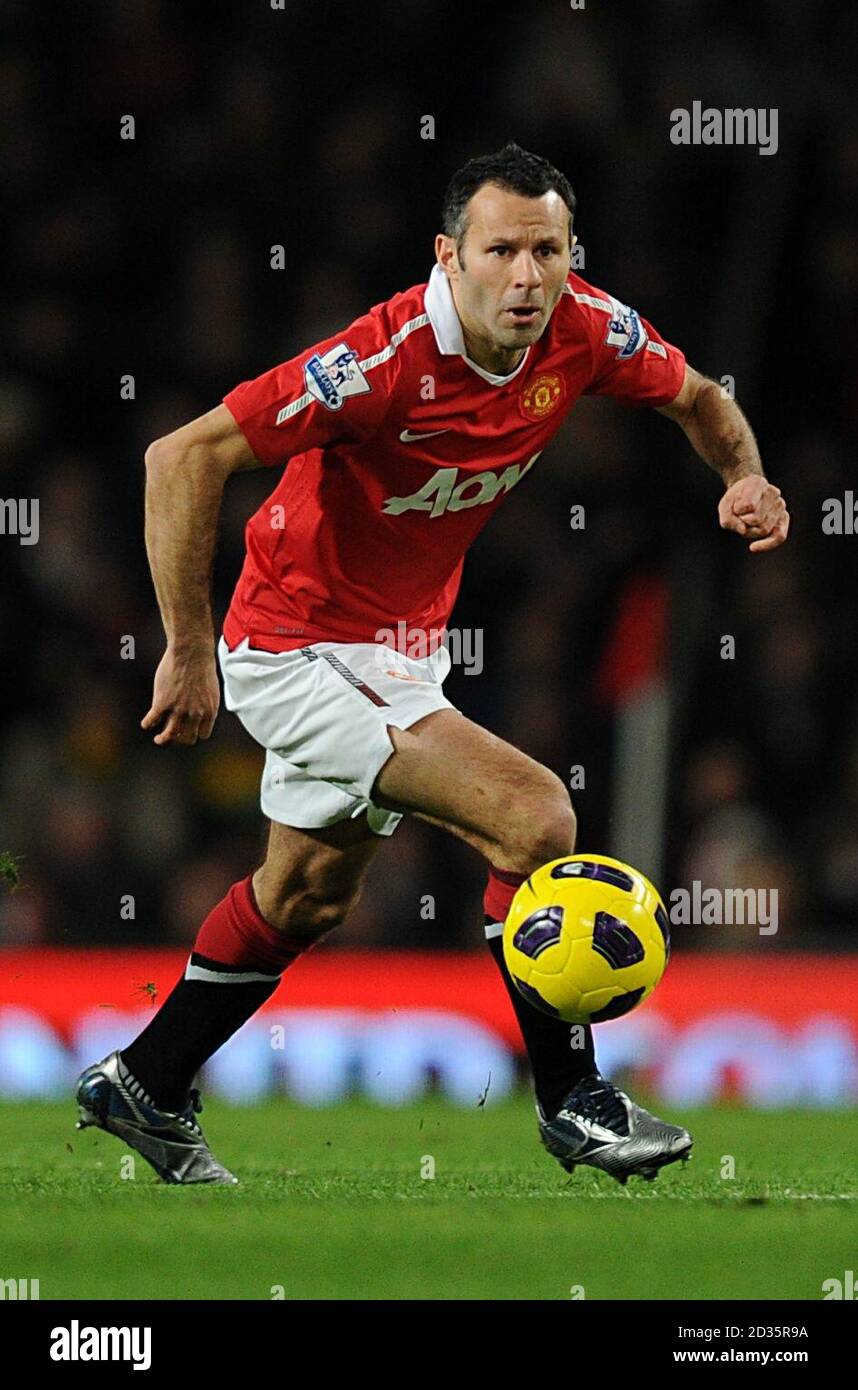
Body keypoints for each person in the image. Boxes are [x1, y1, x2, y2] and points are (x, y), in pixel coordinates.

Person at [75, 143, 789, 1185]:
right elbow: (180, 456)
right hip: (294, 644)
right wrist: (186, 650)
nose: (528, 276)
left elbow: (698, 397)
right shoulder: (383, 358)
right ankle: (573, 1100)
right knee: (535, 813)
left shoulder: (584, 328)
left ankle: (145, 1079)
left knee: (307, 892)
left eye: (548, 249)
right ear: (448, 257)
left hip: (400, 653)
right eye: (501, 249)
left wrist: (748, 476)